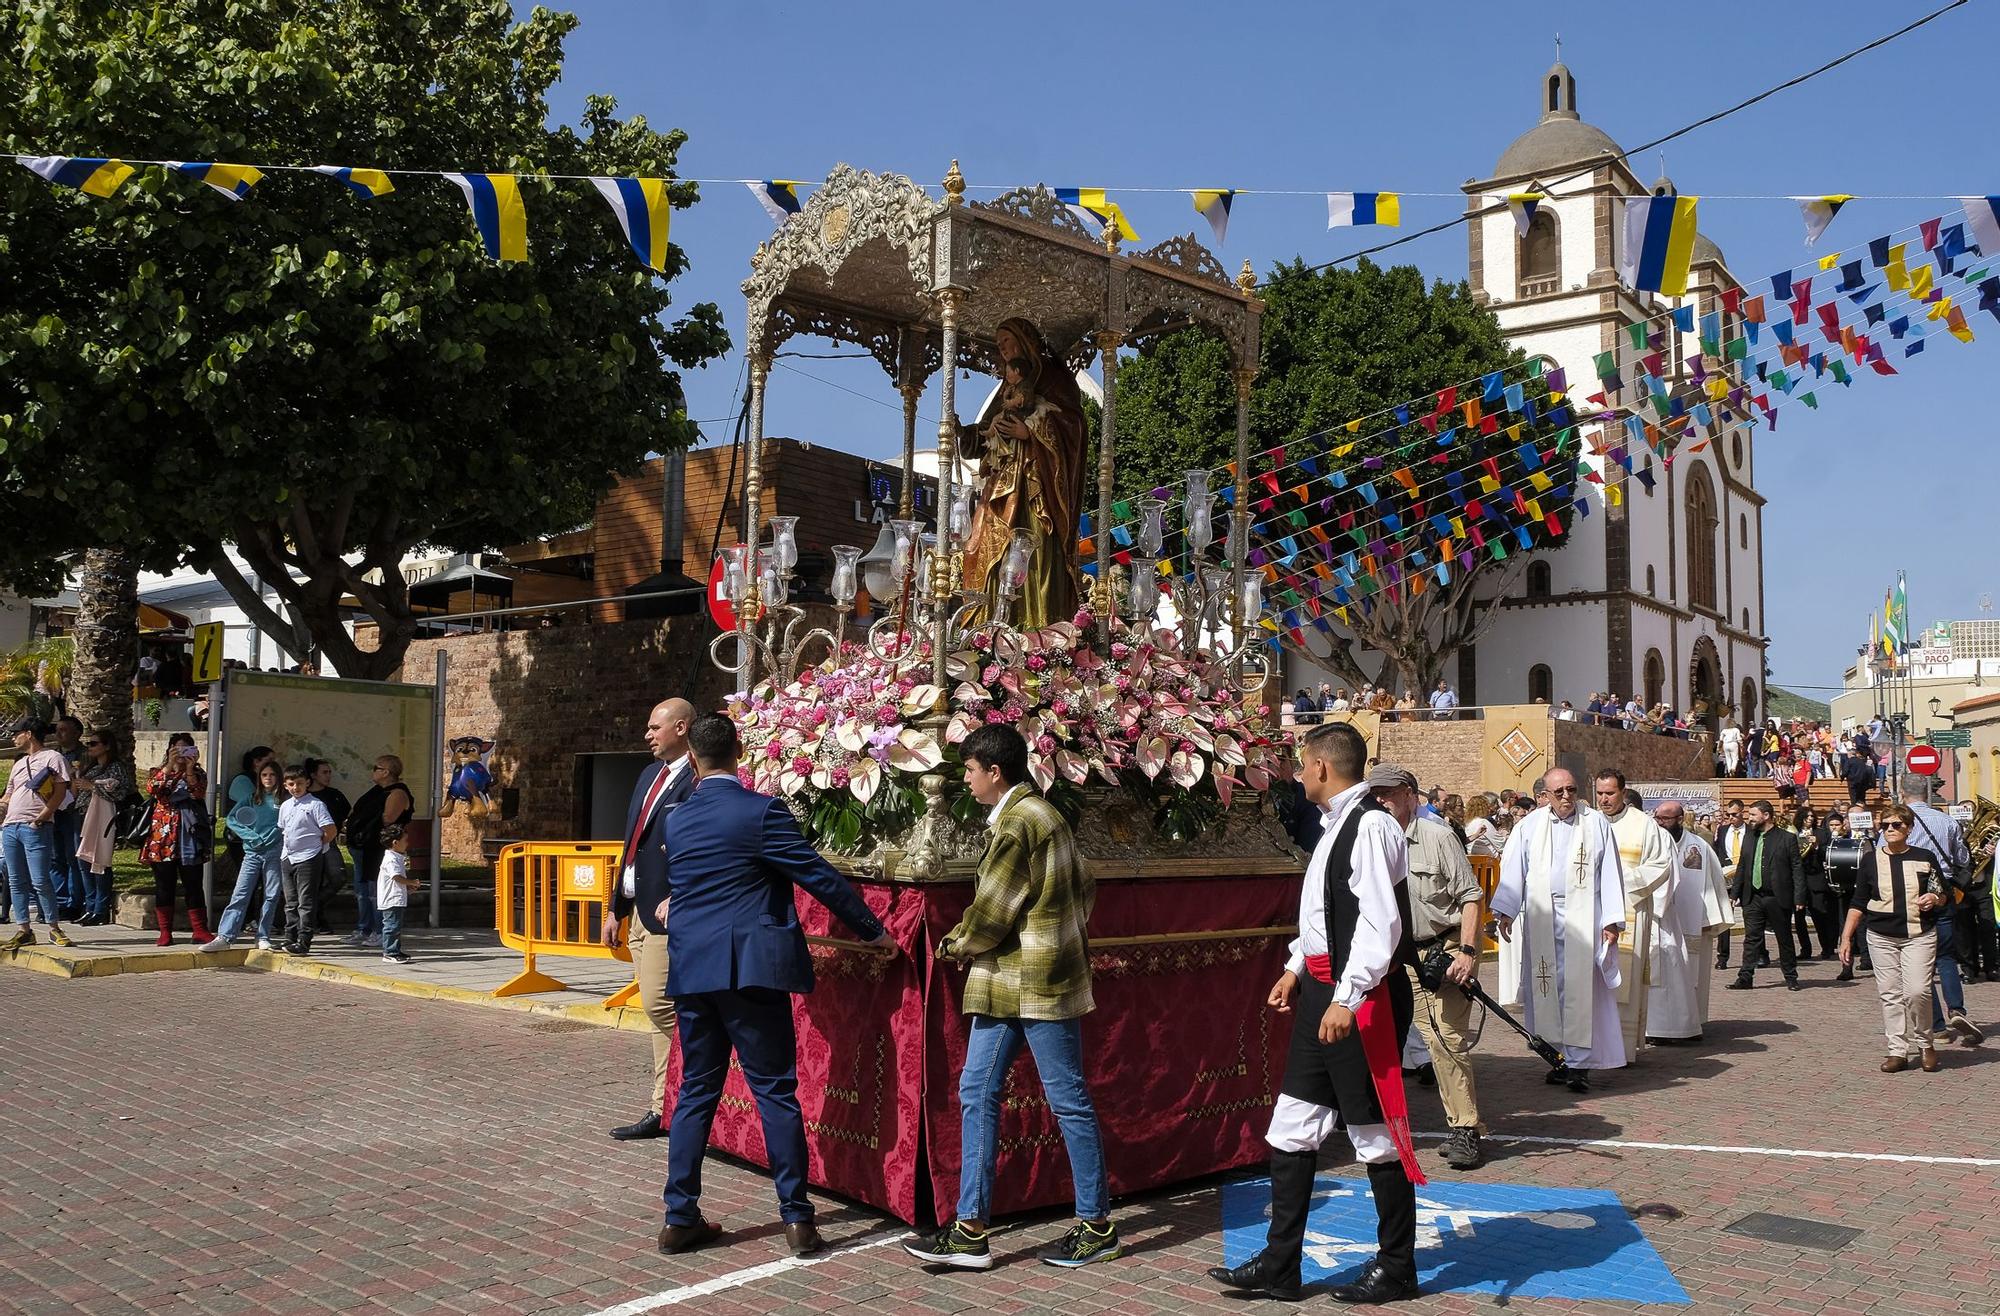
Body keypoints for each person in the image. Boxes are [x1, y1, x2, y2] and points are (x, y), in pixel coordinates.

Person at [654, 713, 893, 1259]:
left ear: (693, 758)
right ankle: (796, 1218)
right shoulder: (759, 811)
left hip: (693, 968)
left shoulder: (679, 818)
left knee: (696, 1092)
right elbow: (817, 875)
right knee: (775, 1091)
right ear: (741, 755)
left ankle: (679, 1214)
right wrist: (874, 930)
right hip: (747, 970)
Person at [1208, 726, 1422, 1306]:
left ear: (1322, 767)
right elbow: (1324, 918)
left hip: (1360, 999)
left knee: (1374, 1134)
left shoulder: (1372, 825)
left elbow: (1381, 924)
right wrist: (1296, 969)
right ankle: (1281, 1266)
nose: (1298, 775)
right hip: (1323, 993)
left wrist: (1347, 998)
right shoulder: (1333, 828)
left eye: (1303, 765)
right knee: (1293, 1127)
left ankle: (1398, 1267)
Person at [905, 725, 1119, 1271]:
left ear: (994, 771)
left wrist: (952, 945)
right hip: (1022, 978)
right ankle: (970, 1228)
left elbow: (992, 912)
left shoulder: (1021, 821)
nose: (966, 781)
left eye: (970, 771)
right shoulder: (1043, 816)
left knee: (1064, 1098)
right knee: (978, 1091)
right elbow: (1086, 889)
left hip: (1034, 980)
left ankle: (1096, 1224)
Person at [1373, 766, 1486, 1169]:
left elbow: (1471, 897)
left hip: (1445, 951)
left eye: (1386, 793)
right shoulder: (1373, 841)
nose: (1379, 801)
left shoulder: (1437, 837)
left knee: (1446, 1039)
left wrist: (1468, 952)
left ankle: (1465, 1130)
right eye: (1375, 794)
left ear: (1408, 794)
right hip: (1399, 959)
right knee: (1387, 1037)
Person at [1491, 767, 1626, 1091]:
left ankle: (1579, 1066)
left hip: (1585, 915)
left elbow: (1609, 871)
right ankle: (1558, 1058)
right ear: (1546, 795)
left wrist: (1611, 919)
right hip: (1542, 916)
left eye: (1572, 789)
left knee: (1582, 991)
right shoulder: (1530, 826)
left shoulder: (1594, 823)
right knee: (1547, 985)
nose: (1567, 796)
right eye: (1559, 791)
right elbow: (1514, 872)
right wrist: (1505, 912)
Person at [603, 696, 697, 1143]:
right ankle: (664, 1105)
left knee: (661, 1006)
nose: (647, 735)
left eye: (655, 727)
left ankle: (680, 1098)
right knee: (656, 1008)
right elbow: (631, 843)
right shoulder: (649, 775)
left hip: (669, 911)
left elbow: (694, 852)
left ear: (681, 728)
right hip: (637, 908)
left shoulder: (697, 779)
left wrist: (681, 896)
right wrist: (613, 908)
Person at [956, 318, 1087, 629]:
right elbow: (985, 436)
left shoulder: (1054, 377)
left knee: (1035, 549)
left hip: (1038, 487)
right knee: (981, 547)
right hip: (1001, 483)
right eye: (998, 343)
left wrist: (1031, 432)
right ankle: (988, 630)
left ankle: (1041, 632)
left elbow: (1074, 428)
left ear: (1024, 341)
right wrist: (963, 433)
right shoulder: (1007, 387)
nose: (1001, 349)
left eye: (1007, 341)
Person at [1838, 805, 1947, 1072]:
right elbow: (1858, 902)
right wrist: (1846, 937)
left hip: (1918, 934)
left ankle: (1925, 1042)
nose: (1889, 829)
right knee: (1890, 994)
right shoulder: (1869, 860)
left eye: (1896, 825)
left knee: (1917, 991)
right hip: (1880, 935)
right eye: (1885, 825)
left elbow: (1943, 894)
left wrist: (1933, 898)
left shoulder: (1925, 856)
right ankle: (1897, 1050)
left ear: (1909, 828)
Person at [1898, 781, 1983, 1046]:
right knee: (1946, 957)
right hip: (1944, 892)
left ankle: (1937, 1028)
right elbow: (1962, 859)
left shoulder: (1899, 822)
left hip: (1912, 894)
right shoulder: (1946, 821)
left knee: (1920, 964)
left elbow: (1884, 854)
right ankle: (1957, 1010)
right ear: (1926, 793)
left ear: (1902, 792)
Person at [1595, 773, 1672, 1046]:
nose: (1604, 799)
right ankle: (1595, 1044)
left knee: (1625, 979)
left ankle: (1622, 1048)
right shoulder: (1589, 823)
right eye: (1600, 793)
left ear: (1623, 792)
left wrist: (1619, 883)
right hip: (1594, 913)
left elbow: (1661, 864)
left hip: (1631, 909)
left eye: (1610, 794)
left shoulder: (1644, 825)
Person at [1648, 801, 1732, 1042]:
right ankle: (1658, 1027)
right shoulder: (1653, 846)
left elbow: (1712, 884)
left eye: (1666, 818)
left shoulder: (1699, 849)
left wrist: (1710, 918)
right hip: (1661, 922)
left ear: (1680, 819)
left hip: (1692, 922)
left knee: (1692, 977)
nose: (1660, 823)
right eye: (1658, 818)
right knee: (1658, 977)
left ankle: (1690, 1025)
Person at [2, 718, 75, 950]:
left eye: (17, 732)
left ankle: (54, 927)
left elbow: (61, 790)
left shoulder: (53, 758)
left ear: (30, 733)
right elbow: (8, 795)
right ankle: (24, 929)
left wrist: (41, 817)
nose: (13, 737)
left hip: (36, 826)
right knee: (15, 880)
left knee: (40, 879)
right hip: (11, 827)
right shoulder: (19, 763)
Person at [202, 760, 285, 953]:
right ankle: (225, 936)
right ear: (259, 777)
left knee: (271, 895)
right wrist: (251, 837)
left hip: (275, 853)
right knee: (241, 893)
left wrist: (274, 835)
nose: (268, 779)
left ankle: (263, 935)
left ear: (278, 777)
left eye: (272, 775)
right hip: (252, 853)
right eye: (264, 775)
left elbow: (286, 825)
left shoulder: (284, 800)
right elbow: (232, 819)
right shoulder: (252, 797)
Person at [139, 734, 214, 947]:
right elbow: (154, 790)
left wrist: (189, 770)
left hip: (190, 836)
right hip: (162, 837)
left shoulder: (198, 773)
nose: (182, 754)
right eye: (177, 750)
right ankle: (165, 932)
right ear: (170, 749)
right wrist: (170, 766)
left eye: (186, 749)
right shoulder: (158, 771)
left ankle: (200, 930)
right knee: (164, 885)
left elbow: (197, 793)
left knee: (193, 884)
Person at [1724, 802, 1805, 992]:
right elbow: (1742, 866)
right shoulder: (1750, 837)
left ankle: (1791, 976)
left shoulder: (1786, 838)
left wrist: (1799, 896)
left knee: (1784, 938)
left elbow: (1796, 869)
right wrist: (1734, 894)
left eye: (1753, 815)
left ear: (1766, 815)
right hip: (1753, 897)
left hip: (1777, 897)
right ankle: (1745, 977)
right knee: (1752, 938)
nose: (1749, 818)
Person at [345, 754, 412, 947]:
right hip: (363, 847)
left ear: (386, 772)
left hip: (378, 849)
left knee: (377, 890)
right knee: (362, 890)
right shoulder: (376, 790)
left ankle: (380, 930)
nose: (373, 771)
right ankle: (363, 928)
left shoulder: (398, 792)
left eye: (376, 768)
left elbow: (388, 819)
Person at [73, 728, 133, 926]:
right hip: (83, 816)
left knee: (99, 862)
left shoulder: (115, 768)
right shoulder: (91, 768)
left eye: (94, 743)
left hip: (102, 819)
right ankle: (90, 906)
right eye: (88, 743)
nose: (89, 747)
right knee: (84, 861)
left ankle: (100, 908)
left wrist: (92, 787)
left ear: (107, 746)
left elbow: (120, 794)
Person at [275, 764, 336, 956]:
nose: (295, 788)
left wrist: (318, 845)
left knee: (305, 901)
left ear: (307, 783)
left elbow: (330, 830)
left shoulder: (315, 805)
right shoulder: (285, 805)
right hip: (288, 857)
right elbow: (284, 829)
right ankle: (290, 937)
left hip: (308, 857)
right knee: (290, 901)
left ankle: (304, 939)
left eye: (299, 784)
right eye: (291, 784)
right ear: (285, 785)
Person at [305, 758, 352, 936]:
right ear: (313, 775)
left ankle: (315, 907)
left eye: (329, 772)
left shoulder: (335, 795)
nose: (328, 776)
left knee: (338, 876)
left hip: (328, 841)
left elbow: (347, 815)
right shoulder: (306, 797)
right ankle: (315, 918)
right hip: (308, 843)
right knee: (311, 881)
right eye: (324, 772)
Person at [50, 716, 89, 920]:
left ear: (77, 733)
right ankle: (59, 900)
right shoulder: (52, 755)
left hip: (74, 812)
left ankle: (75, 902)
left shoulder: (85, 755)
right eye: (57, 730)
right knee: (56, 858)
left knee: (73, 856)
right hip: (54, 811)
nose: (59, 734)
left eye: (64, 730)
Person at [1712, 799, 1752, 970]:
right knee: (1725, 919)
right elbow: (1717, 852)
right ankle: (1723, 957)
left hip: (1747, 880)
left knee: (1752, 919)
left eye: (1734, 814)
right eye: (1728, 815)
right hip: (1727, 880)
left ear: (1742, 812)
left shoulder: (1751, 831)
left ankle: (1758, 954)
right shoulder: (1722, 831)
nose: (1731, 818)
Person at [1796, 807, 1839, 961]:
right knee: (1799, 918)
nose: (1810, 819)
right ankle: (1805, 949)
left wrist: (1816, 846)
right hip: (1798, 880)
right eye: (1806, 817)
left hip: (1816, 879)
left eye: (1812, 816)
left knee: (1819, 915)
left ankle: (1827, 947)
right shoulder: (1793, 833)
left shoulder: (1821, 833)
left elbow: (1829, 853)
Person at [376, 823, 416, 964]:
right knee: (391, 926)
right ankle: (389, 952)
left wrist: (407, 889)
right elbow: (396, 877)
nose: (407, 843)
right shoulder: (391, 859)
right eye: (405, 840)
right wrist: (411, 882)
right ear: (395, 842)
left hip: (397, 897)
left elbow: (397, 881)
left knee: (396, 926)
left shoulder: (396, 857)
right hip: (391, 899)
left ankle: (396, 950)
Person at [1844, 738, 1878, 805]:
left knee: (1854, 798)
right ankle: (1861, 808)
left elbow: (1846, 771)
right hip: (1862, 782)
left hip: (1853, 781)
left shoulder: (1850, 761)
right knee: (1861, 798)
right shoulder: (1862, 761)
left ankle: (1855, 809)